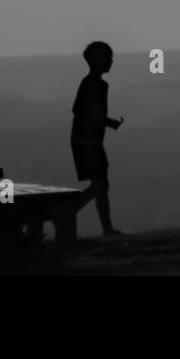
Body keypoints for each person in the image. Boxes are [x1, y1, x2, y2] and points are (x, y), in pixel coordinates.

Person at [70, 41, 125, 236]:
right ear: (98, 60)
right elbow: (95, 115)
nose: (111, 61)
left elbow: (79, 110)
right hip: (89, 142)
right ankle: (69, 212)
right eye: (108, 57)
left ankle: (105, 228)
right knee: (100, 185)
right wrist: (113, 123)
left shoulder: (88, 83)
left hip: (85, 141)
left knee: (100, 185)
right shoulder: (97, 85)